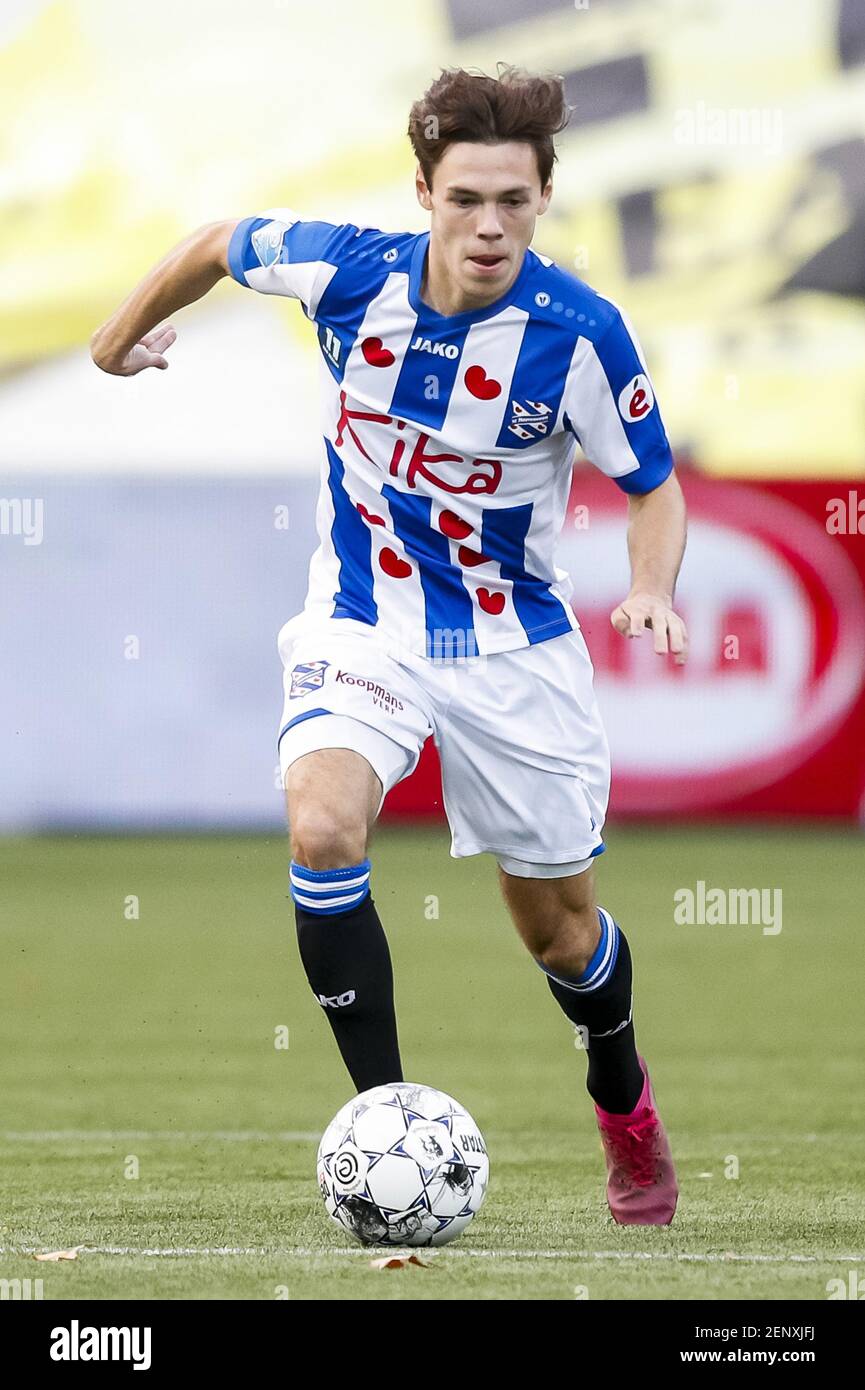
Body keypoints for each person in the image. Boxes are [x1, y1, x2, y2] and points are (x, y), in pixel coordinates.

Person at [91, 65, 688, 1225]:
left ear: (544, 200)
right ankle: (386, 1137)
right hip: (364, 617)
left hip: (513, 648)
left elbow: (652, 487)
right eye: (465, 198)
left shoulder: (579, 336)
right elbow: (218, 241)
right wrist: (118, 342)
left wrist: (651, 587)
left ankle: (622, 1096)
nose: (488, 226)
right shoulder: (344, 272)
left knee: (563, 939)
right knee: (320, 825)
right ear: (423, 192)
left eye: (512, 201)